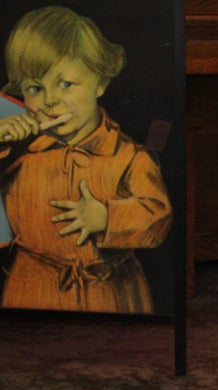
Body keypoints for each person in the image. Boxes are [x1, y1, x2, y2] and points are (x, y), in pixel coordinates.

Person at [0, 6, 172, 313]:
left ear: (100, 83)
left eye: (66, 84)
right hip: (31, 289)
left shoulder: (129, 156)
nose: (50, 101)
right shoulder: (18, 154)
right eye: (35, 88)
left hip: (112, 293)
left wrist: (107, 218)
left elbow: (159, 218)